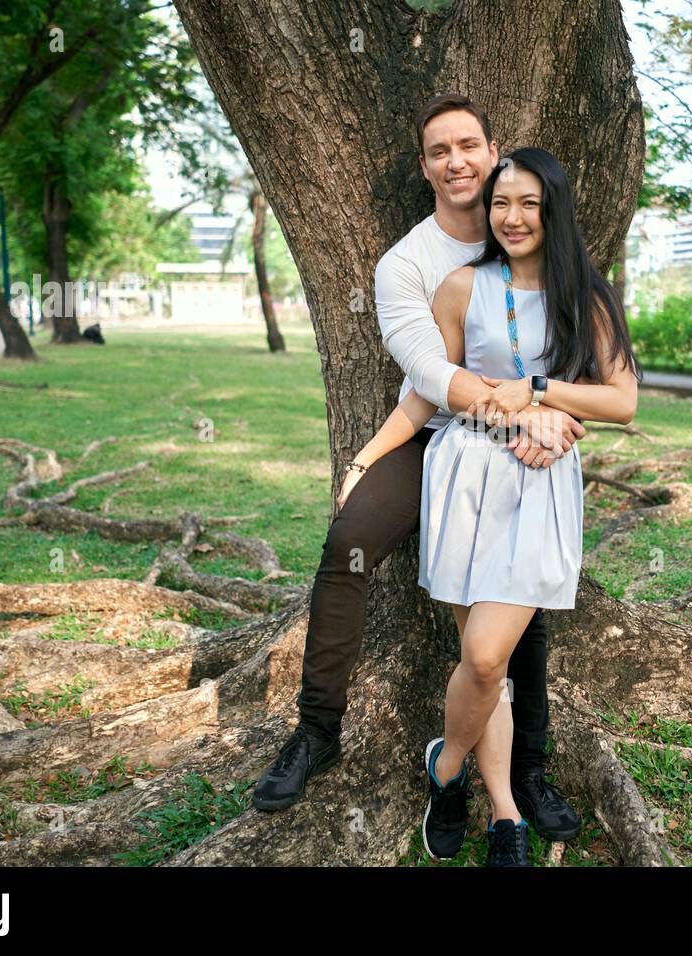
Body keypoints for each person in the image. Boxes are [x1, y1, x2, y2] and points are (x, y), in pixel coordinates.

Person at [252, 94, 588, 846]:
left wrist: (558, 417)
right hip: (433, 436)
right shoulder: (406, 264)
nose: (457, 161)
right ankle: (316, 731)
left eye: (469, 145)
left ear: (493, 149)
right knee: (351, 540)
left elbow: (581, 358)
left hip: (523, 444)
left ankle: (526, 770)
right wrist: (373, 452)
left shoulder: (534, 234)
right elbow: (430, 376)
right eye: (439, 151)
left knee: (517, 594)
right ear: (424, 167)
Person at [338, 147, 641, 865]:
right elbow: (425, 392)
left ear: (553, 209)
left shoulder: (585, 296)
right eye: (501, 203)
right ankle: (503, 810)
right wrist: (365, 457)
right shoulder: (461, 288)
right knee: (486, 669)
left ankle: (444, 768)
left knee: (483, 652)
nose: (511, 216)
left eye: (528, 203)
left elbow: (622, 401)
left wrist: (538, 391)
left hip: (537, 486)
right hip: (463, 477)